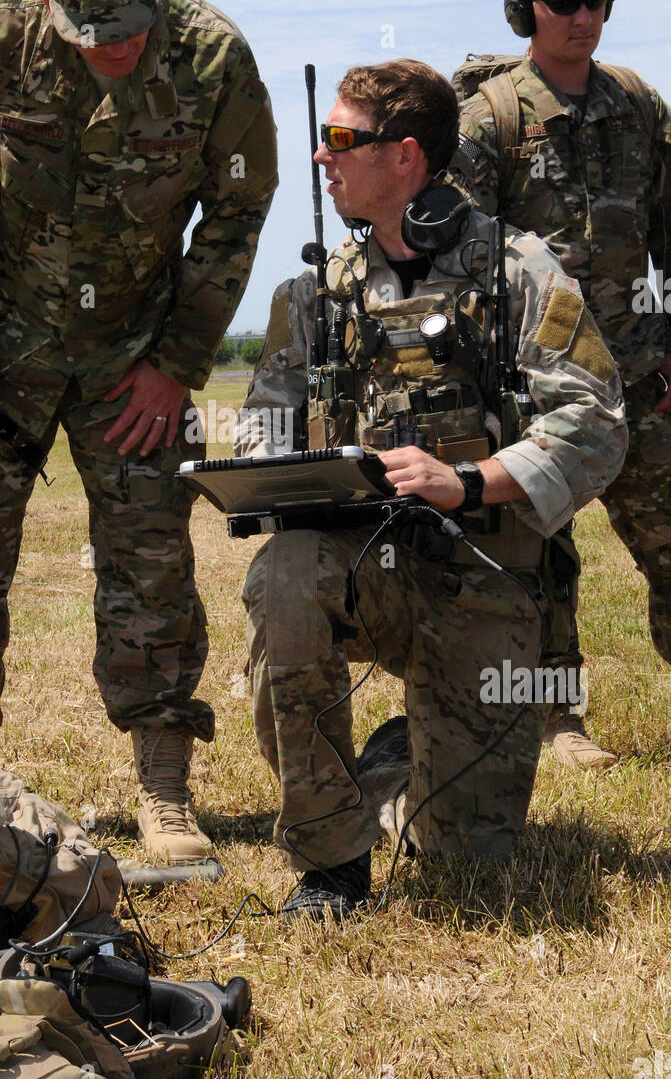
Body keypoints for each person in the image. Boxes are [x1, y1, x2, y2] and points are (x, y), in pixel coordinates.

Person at [0, 0, 278, 861]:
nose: (109, 48)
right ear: (46, 0)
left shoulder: (213, 56)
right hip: (7, 344)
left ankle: (162, 787)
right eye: (86, 32)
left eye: (125, 29)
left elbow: (237, 211)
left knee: (150, 562)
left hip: (134, 356)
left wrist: (176, 365)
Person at [236, 59, 626, 920]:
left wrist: (468, 481)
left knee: (464, 860)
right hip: (365, 568)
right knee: (284, 574)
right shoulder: (317, 292)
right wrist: (283, 470)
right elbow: (260, 421)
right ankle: (332, 859)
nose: (320, 157)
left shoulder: (519, 272)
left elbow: (597, 427)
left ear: (405, 157)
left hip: (488, 581)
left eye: (341, 139)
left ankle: (393, 764)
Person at [454, 0, 671, 770]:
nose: (583, 18)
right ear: (525, 8)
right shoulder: (488, 117)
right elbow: (459, 259)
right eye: (563, 4)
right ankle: (556, 720)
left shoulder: (638, 105)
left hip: (641, 374)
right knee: (539, 555)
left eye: (596, 1)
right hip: (537, 385)